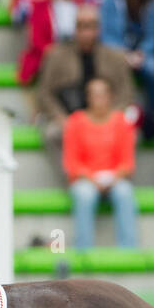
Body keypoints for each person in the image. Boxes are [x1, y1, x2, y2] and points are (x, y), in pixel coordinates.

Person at [33, 2, 132, 163]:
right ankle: (74, 179)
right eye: (81, 26)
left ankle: (113, 176)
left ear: (99, 28)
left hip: (106, 117)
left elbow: (126, 93)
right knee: (52, 132)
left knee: (129, 130)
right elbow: (44, 93)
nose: (86, 31)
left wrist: (110, 118)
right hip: (69, 118)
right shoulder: (56, 55)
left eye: (91, 25)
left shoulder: (115, 57)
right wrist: (60, 118)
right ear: (74, 29)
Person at [63, 77, 139, 249]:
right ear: (88, 98)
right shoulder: (75, 122)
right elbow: (71, 163)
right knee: (85, 195)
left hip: (115, 178)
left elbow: (127, 162)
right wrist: (92, 179)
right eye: (95, 95)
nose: (99, 99)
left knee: (125, 193)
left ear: (110, 96)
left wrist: (113, 178)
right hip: (85, 180)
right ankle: (83, 251)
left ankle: (129, 250)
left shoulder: (122, 122)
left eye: (103, 95)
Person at [100, 0, 154, 132]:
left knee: (153, 68)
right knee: (113, 67)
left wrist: (142, 53)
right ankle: (114, 117)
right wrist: (125, 55)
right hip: (118, 53)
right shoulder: (110, 1)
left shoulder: (152, 4)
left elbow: (153, 36)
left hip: (143, 53)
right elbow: (107, 36)